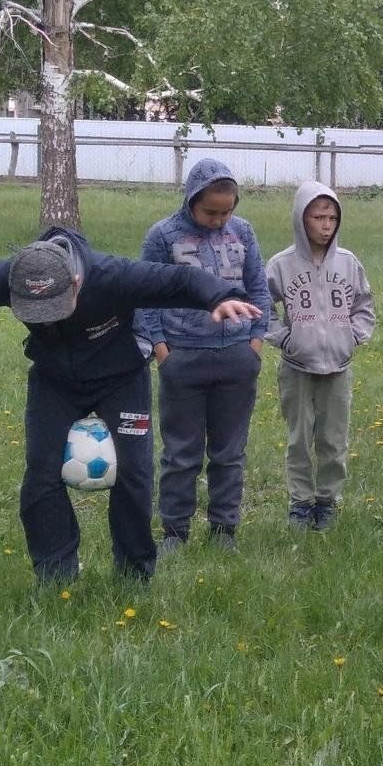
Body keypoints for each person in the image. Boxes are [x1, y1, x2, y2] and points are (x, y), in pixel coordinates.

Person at [0, 228, 260, 583]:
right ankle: (55, 574)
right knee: (41, 473)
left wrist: (220, 296)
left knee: (133, 472)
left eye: (54, 309)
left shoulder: (113, 276)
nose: (47, 319)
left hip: (121, 377)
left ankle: (135, 573)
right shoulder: (14, 276)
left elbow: (178, 279)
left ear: (75, 282)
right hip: (54, 380)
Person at [137, 158, 271, 556]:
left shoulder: (243, 232)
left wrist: (255, 343)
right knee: (181, 453)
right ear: (191, 200)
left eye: (226, 211)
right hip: (183, 359)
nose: (218, 220)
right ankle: (174, 532)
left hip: (237, 357)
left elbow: (259, 290)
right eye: (210, 211)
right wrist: (162, 349)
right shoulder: (162, 236)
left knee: (230, 453)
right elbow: (143, 296)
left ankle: (224, 530)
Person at [266, 181, 375, 531]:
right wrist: (285, 339)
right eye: (318, 217)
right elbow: (260, 306)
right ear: (301, 219)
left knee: (333, 439)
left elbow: (364, 305)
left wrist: (353, 337)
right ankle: (300, 503)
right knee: (299, 438)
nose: (326, 225)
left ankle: (327, 501)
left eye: (332, 218)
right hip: (297, 366)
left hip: (338, 367)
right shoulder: (281, 265)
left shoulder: (348, 263)